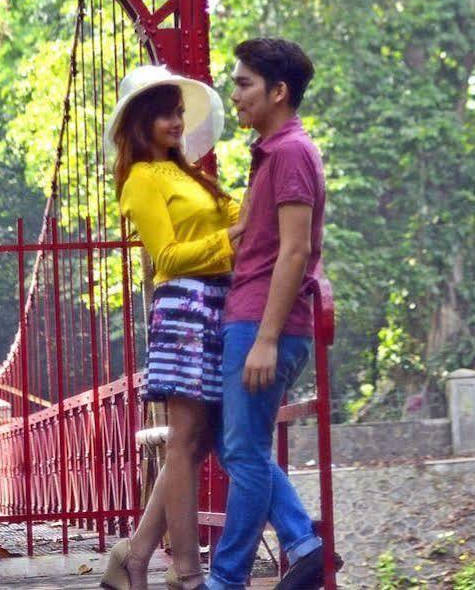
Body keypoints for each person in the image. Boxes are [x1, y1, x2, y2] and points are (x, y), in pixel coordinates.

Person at [203, 38, 330, 590]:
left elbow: (295, 250)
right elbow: (257, 240)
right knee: (237, 446)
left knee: (243, 452)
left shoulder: (291, 153)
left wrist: (266, 339)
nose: (233, 96)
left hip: (262, 321)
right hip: (251, 315)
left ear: (279, 92)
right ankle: (302, 545)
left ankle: (226, 580)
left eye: (243, 84)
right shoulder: (271, 153)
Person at [101, 65, 235, 590]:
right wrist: (233, 239)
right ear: (140, 121)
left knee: (194, 440)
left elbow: (239, 217)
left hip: (218, 305)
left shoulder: (191, 174)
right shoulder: (141, 180)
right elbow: (168, 257)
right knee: (184, 442)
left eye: (180, 111)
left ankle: (133, 555)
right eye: (165, 112)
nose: (177, 120)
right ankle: (186, 573)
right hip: (183, 308)